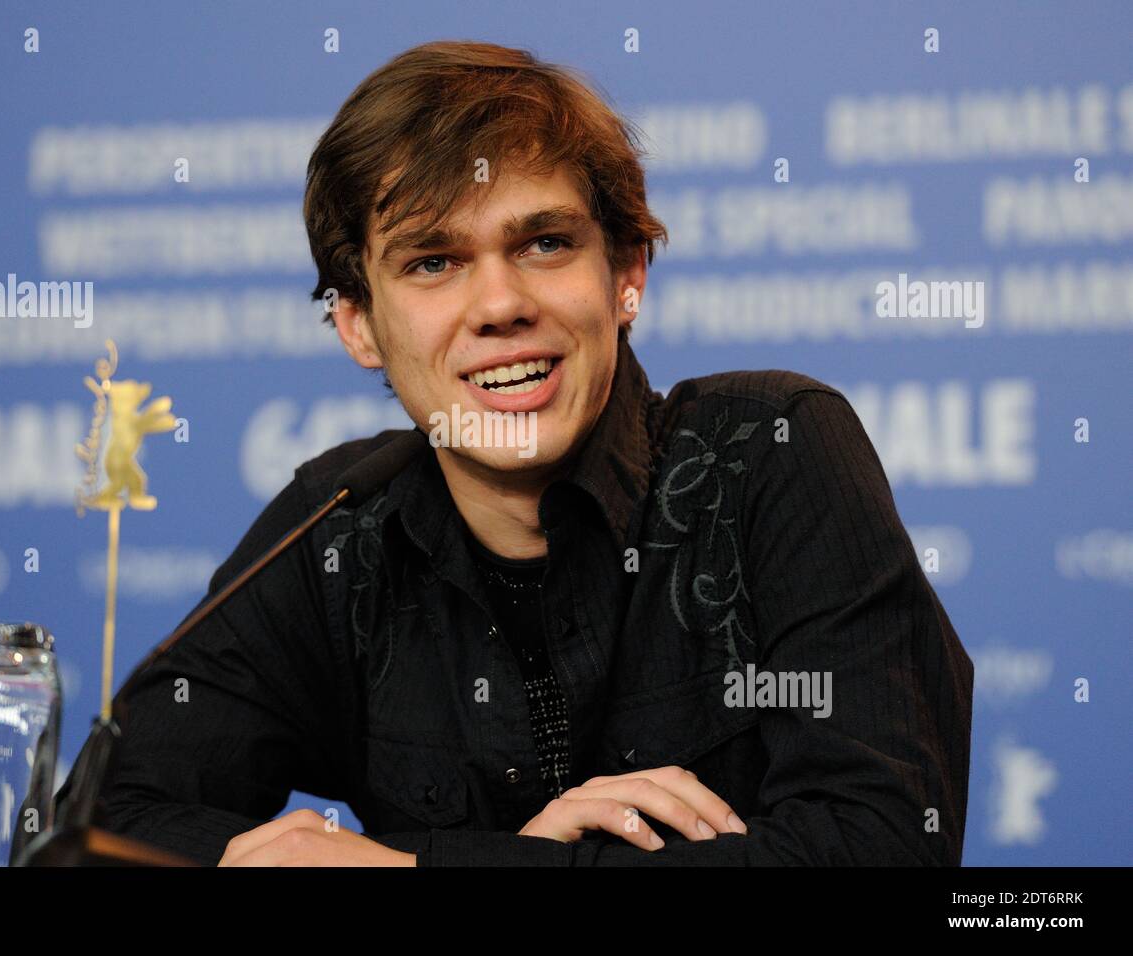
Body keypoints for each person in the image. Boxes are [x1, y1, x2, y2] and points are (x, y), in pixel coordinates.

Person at [84, 40, 974, 866]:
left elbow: (883, 843)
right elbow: (90, 826)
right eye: (433, 262)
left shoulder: (770, 450)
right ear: (357, 324)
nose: (501, 303)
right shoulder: (338, 526)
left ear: (626, 274)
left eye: (545, 243)